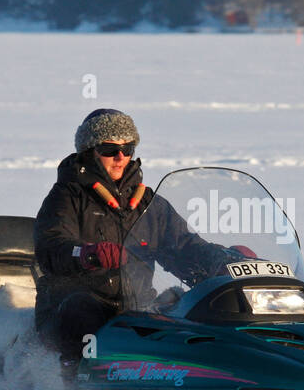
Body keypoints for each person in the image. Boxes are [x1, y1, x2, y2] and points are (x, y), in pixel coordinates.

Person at [32, 109, 251, 375]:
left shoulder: (148, 203)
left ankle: (219, 380)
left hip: (136, 306)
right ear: (90, 152)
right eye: (109, 148)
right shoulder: (67, 196)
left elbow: (184, 247)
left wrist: (227, 262)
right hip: (72, 306)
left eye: (128, 148)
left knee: (193, 309)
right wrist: (87, 254)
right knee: (82, 310)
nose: (120, 157)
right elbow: (50, 247)